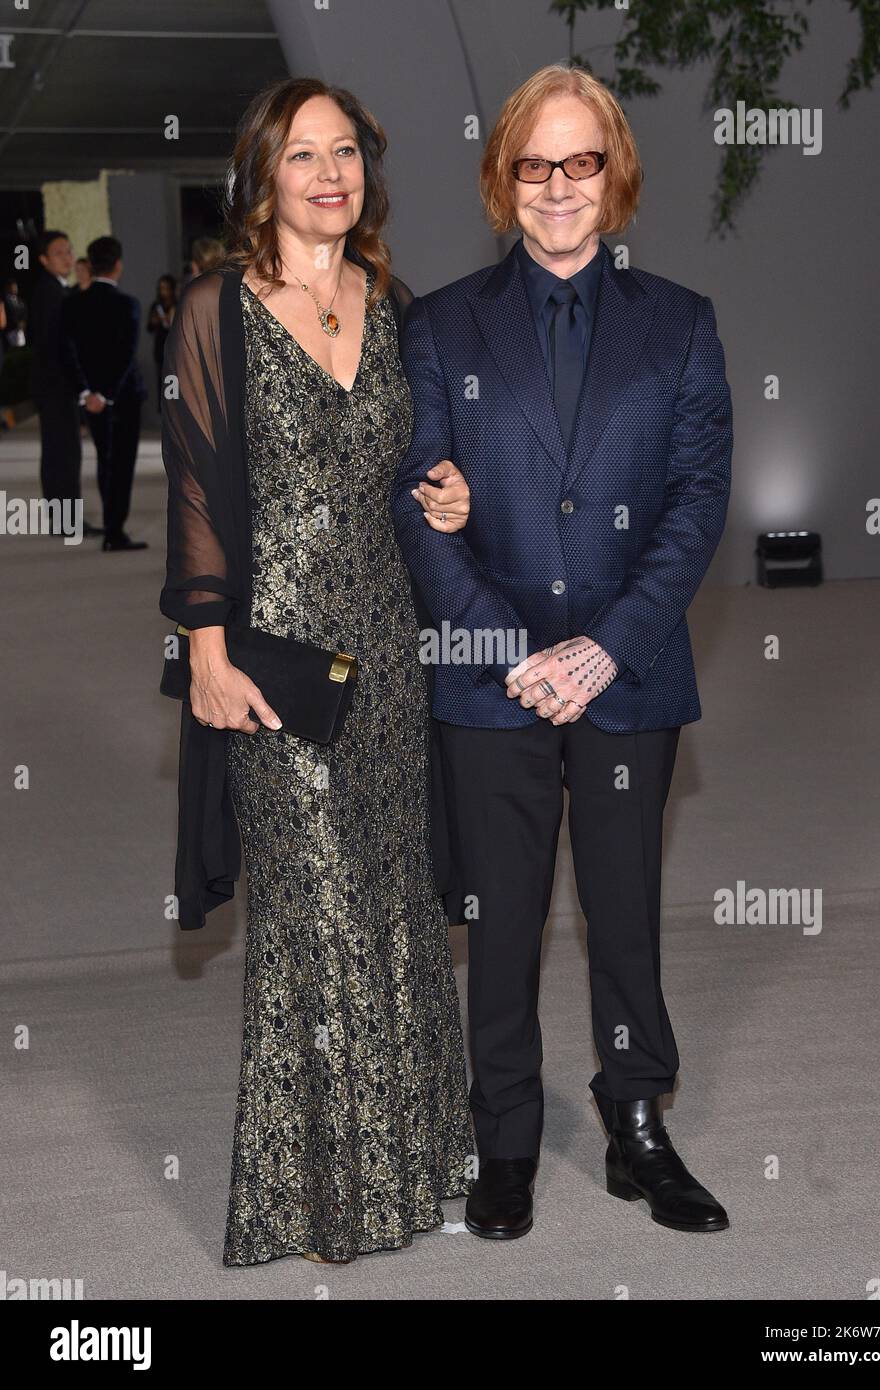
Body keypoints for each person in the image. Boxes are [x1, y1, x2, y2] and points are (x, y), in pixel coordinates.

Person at [392, 63, 733, 1240]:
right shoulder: (436, 326)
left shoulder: (681, 324)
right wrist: (513, 655)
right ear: (504, 179)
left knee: (626, 913)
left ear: (615, 174)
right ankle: (504, 1143)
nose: (555, 188)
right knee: (502, 919)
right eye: (532, 164)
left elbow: (695, 507)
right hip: (491, 686)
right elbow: (418, 503)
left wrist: (601, 649)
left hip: (629, 677)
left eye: (578, 162)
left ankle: (638, 1126)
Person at [158, 77, 475, 1266]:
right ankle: (326, 1194)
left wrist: (443, 496)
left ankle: (418, 1161)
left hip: (387, 652)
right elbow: (194, 487)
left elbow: (411, 468)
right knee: (314, 908)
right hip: (277, 661)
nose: (330, 173)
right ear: (264, 176)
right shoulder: (213, 311)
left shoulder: (395, 309)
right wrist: (203, 650)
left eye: (346, 152)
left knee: (394, 899)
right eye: (304, 155)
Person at [61, 235, 148, 551]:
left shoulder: (71, 305)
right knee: (122, 463)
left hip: (92, 399)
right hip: (123, 398)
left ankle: (113, 528)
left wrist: (87, 393)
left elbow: (66, 352)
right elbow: (126, 354)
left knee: (104, 458)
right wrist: (108, 394)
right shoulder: (127, 305)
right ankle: (115, 530)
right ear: (118, 266)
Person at [27, 232, 99, 532]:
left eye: (69, 251)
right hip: (57, 386)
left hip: (52, 385)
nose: (68, 258)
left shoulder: (54, 290)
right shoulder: (51, 293)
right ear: (44, 259)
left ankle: (61, 520)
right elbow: (58, 345)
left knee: (59, 451)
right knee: (64, 454)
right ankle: (67, 521)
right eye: (59, 253)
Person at [145, 274, 177, 410]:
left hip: (176, 351)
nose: (163, 291)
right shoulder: (156, 306)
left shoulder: (178, 303)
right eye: (161, 288)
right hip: (160, 350)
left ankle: (175, 411)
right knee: (162, 382)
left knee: (175, 381)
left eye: (166, 288)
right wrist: (155, 321)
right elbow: (149, 327)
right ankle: (165, 411)